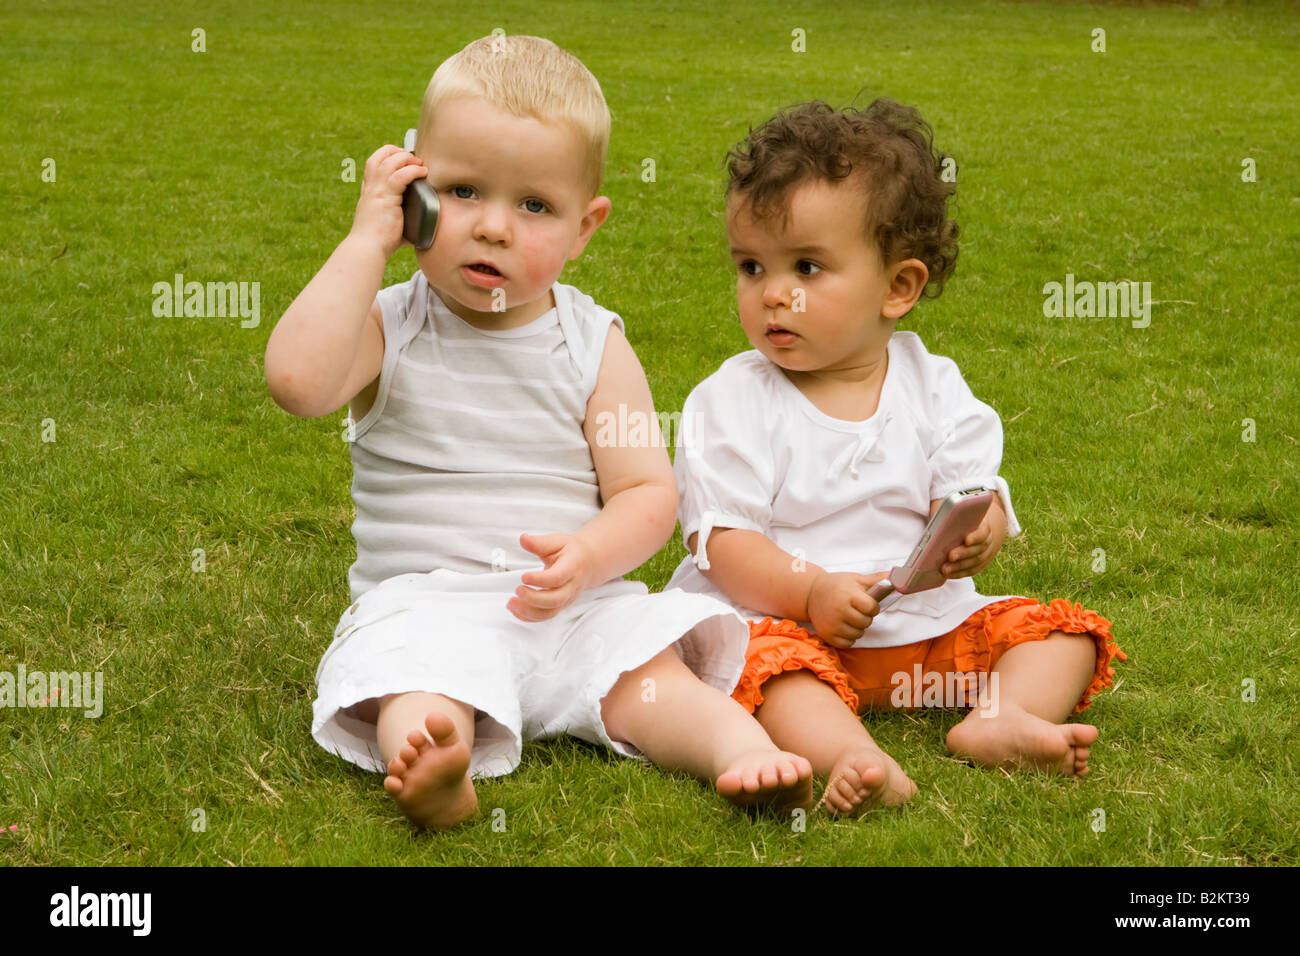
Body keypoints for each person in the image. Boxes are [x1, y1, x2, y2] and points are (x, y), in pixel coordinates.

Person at [264, 35, 812, 828]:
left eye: (533, 206)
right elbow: (296, 384)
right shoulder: (388, 326)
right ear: (412, 191)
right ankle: (436, 760)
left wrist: (588, 558)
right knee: (406, 671)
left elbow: (647, 493)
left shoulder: (593, 342)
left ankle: (736, 750)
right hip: (429, 603)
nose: (492, 228)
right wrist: (364, 243)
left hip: (572, 607)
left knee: (647, 672)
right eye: (460, 191)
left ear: (585, 227)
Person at [667, 99, 1125, 815]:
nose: (773, 294)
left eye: (808, 268)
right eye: (751, 266)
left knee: (1061, 634)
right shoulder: (731, 400)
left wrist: (984, 528)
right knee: (773, 672)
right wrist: (812, 591)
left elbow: (973, 488)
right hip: (795, 629)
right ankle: (854, 755)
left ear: (898, 287)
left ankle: (1001, 718)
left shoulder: (932, 386)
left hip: (922, 636)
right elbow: (724, 544)